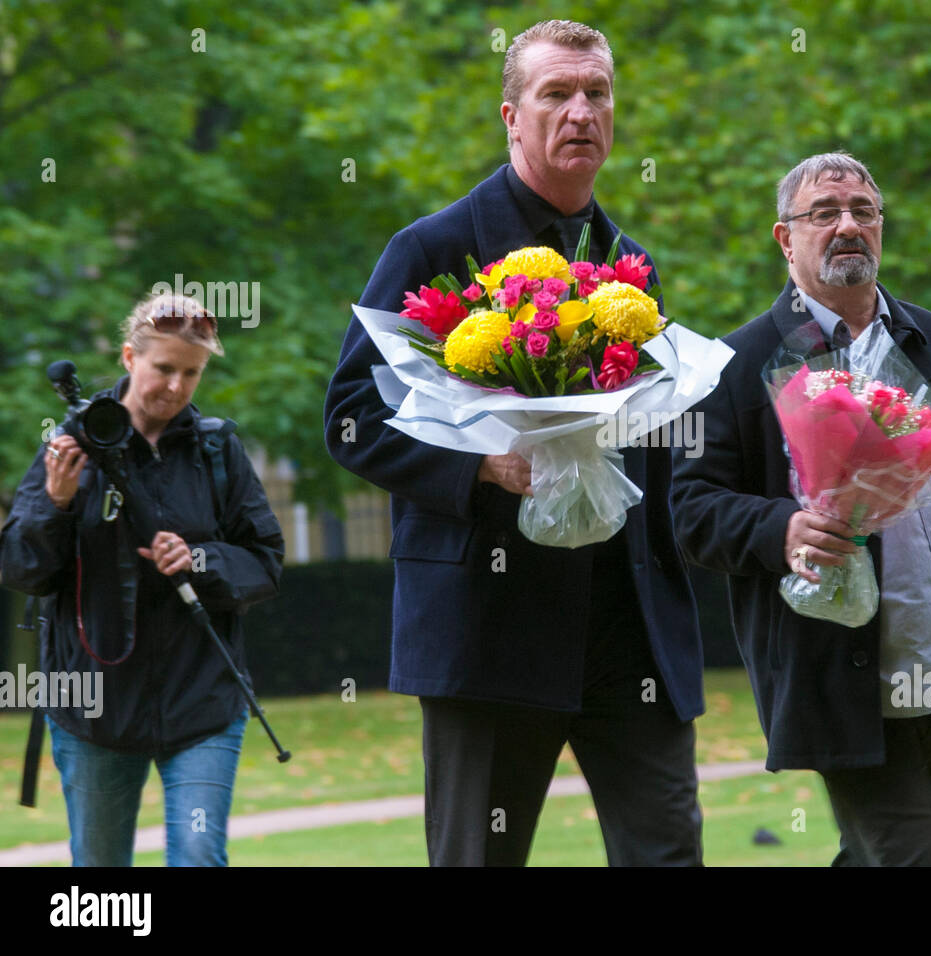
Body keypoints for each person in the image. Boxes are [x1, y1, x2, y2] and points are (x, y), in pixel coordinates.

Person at [323, 19, 704, 867]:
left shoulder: (630, 264)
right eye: (556, 94)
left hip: (631, 630)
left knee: (668, 855)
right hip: (488, 631)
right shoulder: (431, 249)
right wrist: (483, 465)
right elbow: (351, 415)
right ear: (511, 115)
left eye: (597, 94)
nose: (580, 112)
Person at [671, 152, 931, 866]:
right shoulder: (737, 364)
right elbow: (691, 508)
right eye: (824, 212)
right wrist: (783, 528)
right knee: (920, 857)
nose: (848, 225)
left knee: (876, 857)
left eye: (863, 210)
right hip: (838, 664)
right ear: (784, 239)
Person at [0, 293, 284, 866]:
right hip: (93, 707)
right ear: (130, 358)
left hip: (201, 700)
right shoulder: (70, 444)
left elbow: (265, 561)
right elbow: (21, 569)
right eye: (164, 369)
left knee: (200, 854)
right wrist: (55, 504)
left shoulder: (217, 447)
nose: (176, 387)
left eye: (191, 373)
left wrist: (200, 559)